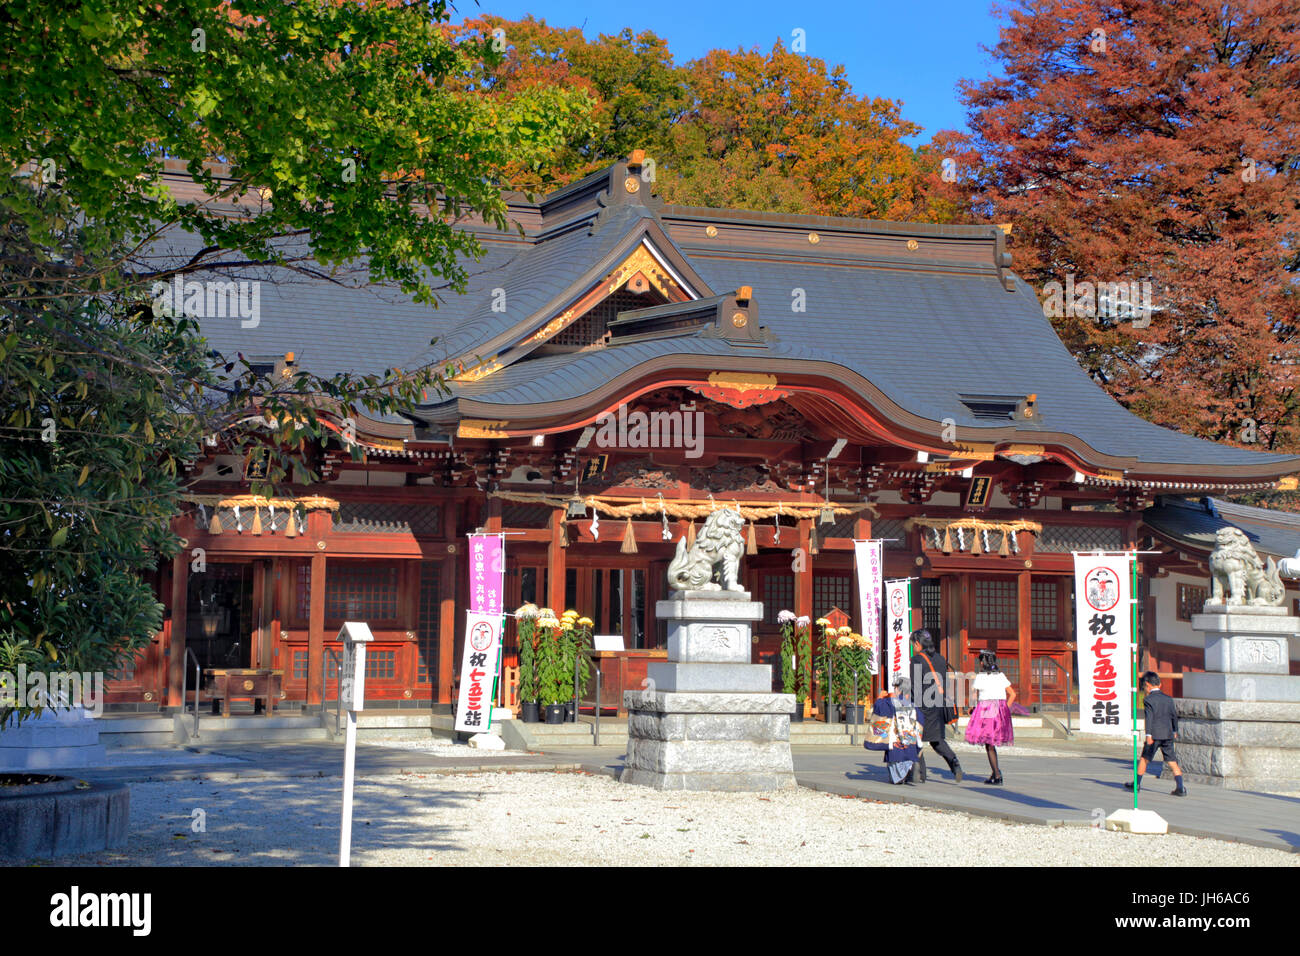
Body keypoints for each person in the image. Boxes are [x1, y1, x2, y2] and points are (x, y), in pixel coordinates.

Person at [909, 629, 963, 783]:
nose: (914, 647)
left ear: (918, 644)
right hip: (938, 704)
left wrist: (911, 704)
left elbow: (915, 687)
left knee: (916, 738)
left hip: (922, 705)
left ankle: (920, 774)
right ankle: (954, 763)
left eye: (914, 644)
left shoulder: (916, 660)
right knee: (937, 740)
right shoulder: (940, 659)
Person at [1125, 672, 1187, 796]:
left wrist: (1148, 735)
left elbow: (1150, 718)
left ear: (1147, 685)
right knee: (1172, 761)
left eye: (1144, 687)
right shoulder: (1168, 699)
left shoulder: (1148, 699)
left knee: (1144, 759)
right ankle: (1180, 787)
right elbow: (1174, 716)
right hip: (1168, 733)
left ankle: (1136, 784)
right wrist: (1175, 730)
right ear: (1160, 684)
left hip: (1154, 735)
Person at [965, 649, 1015, 784]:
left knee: (989, 743)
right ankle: (995, 772)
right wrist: (1006, 708)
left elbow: (974, 695)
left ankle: (997, 775)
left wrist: (972, 707)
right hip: (1000, 709)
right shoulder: (1000, 676)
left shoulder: (980, 677)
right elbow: (1013, 694)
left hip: (987, 710)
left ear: (982, 662)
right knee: (991, 743)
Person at [864, 678, 925, 784]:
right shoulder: (912, 705)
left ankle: (899, 778)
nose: (894, 690)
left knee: (895, 766)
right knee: (908, 758)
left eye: (895, 688)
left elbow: (879, 707)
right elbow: (920, 720)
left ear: (899, 689)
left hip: (895, 741)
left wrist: (880, 697)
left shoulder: (890, 703)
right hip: (909, 740)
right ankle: (910, 770)